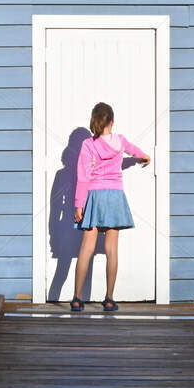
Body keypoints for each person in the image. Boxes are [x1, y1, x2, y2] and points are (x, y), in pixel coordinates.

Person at [71, 101, 150, 312]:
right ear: (112, 121)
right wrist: (144, 156)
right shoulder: (120, 141)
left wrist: (79, 205)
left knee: (86, 249)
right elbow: (134, 151)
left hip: (95, 196)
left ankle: (77, 299)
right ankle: (108, 299)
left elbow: (83, 176)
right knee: (112, 250)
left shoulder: (89, 144)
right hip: (114, 197)